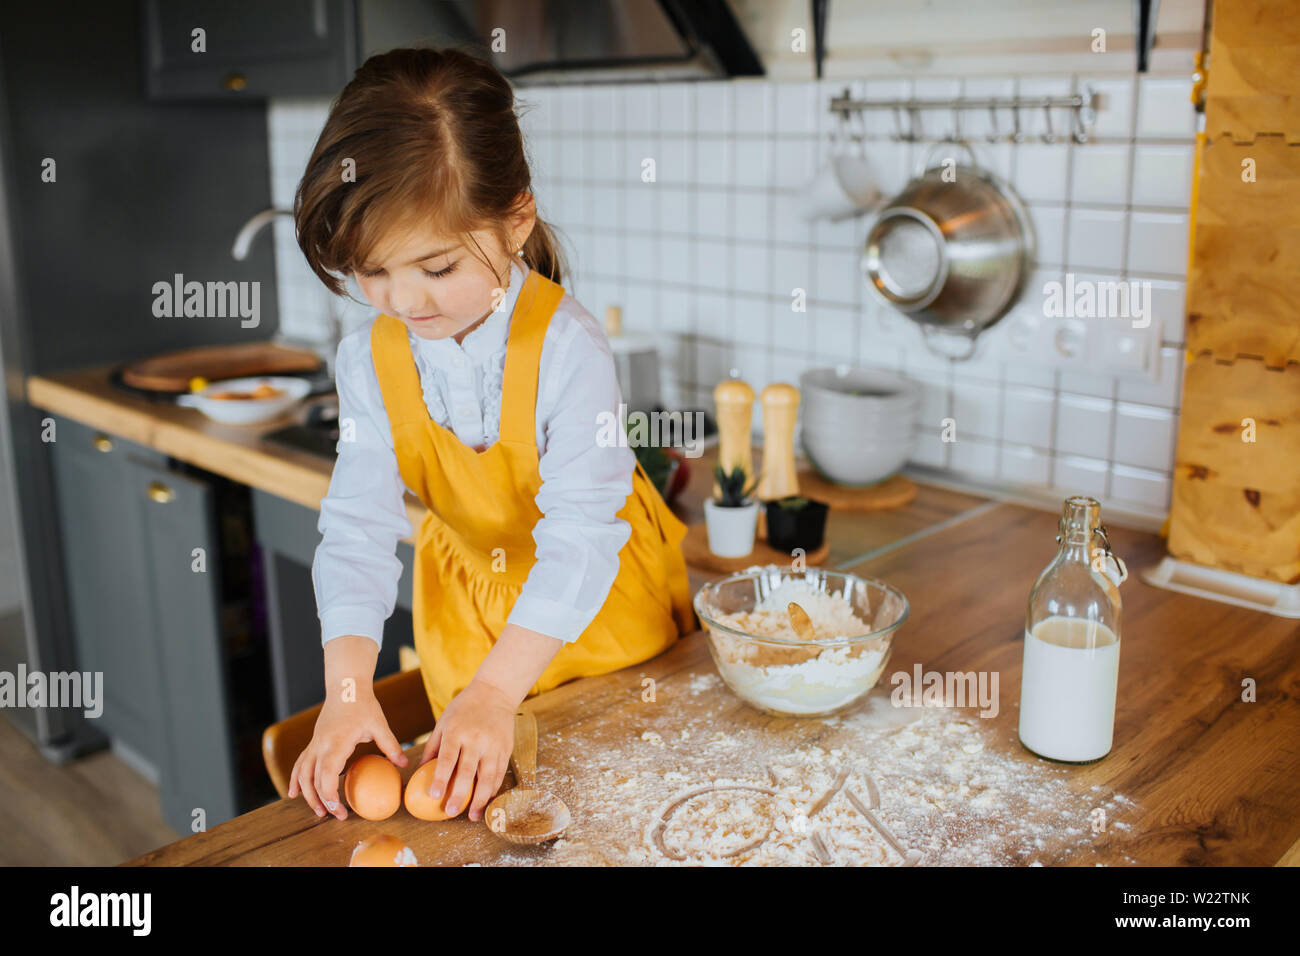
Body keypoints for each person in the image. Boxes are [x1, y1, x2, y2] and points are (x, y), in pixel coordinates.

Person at [286, 47, 695, 825]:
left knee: (623, 812)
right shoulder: (368, 357)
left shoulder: (566, 348)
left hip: (596, 615)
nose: (402, 301)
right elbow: (359, 528)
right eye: (371, 272)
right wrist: (348, 689)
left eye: (436, 267)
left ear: (516, 218)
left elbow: (581, 534)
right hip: (469, 631)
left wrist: (500, 690)